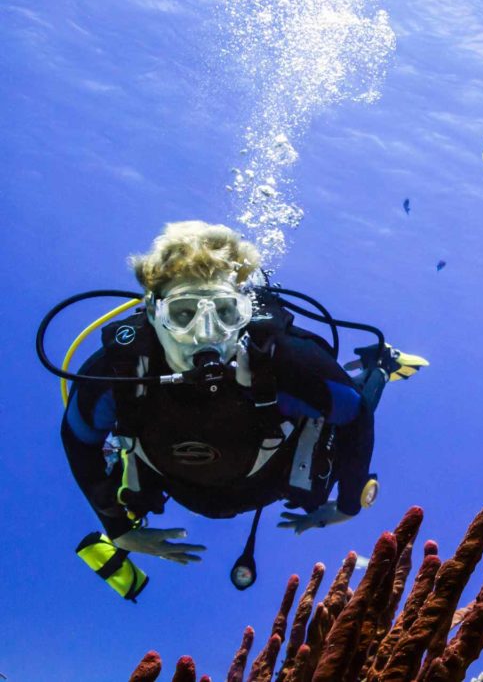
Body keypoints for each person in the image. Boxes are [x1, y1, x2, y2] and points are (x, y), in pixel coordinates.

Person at [60, 221, 426, 585]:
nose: (206, 334)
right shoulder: (118, 373)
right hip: (178, 481)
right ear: (154, 313)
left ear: (245, 313)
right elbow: (77, 439)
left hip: (270, 479)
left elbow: (355, 414)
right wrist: (118, 528)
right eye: (183, 313)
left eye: (224, 313)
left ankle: (380, 364)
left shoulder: (284, 363)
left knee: (337, 415)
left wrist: (348, 504)